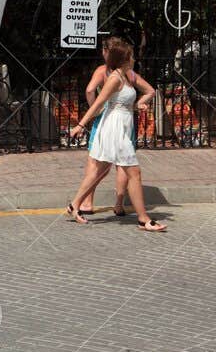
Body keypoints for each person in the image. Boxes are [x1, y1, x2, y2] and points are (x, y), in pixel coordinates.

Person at [65, 40, 166, 232]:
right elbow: (97, 104)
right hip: (114, 128)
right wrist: (80, 125)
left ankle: (73, 205)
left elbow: (127, 101)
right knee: (133, 171)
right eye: (131, 55)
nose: (134, 58)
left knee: (100, 170)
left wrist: (137, 106)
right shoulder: (115, 78)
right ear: (124, 59)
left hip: (122, 125)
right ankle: (144, 219)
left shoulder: (127, 76)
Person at [68, 36, 130, 216]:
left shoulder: (103, 71)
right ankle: (119, 203)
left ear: (105, 52)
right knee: (123, 162)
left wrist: (95, 108)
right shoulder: (126, 73)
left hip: (105, 117)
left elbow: (89, 90)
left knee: (95, 160)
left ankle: (87, 202)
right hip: (123, 119)